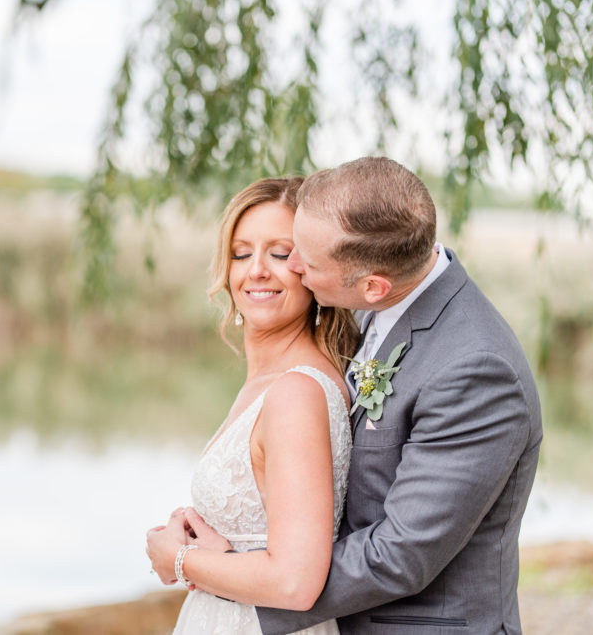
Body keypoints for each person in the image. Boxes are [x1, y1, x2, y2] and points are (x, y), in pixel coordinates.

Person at [151, 157, 543, 634]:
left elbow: (399, 555)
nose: (290, 268)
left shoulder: (475, 369)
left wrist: (223, 569)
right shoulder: (364, 306)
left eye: (301, 259)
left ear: (373, 286)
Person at [146, 176, 359, 634]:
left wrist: (179, 560)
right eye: (242, 253)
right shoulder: (271, 384)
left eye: (280, 254)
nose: (257, 269)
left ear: (313, 269)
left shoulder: (296, 392)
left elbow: (295, 581)